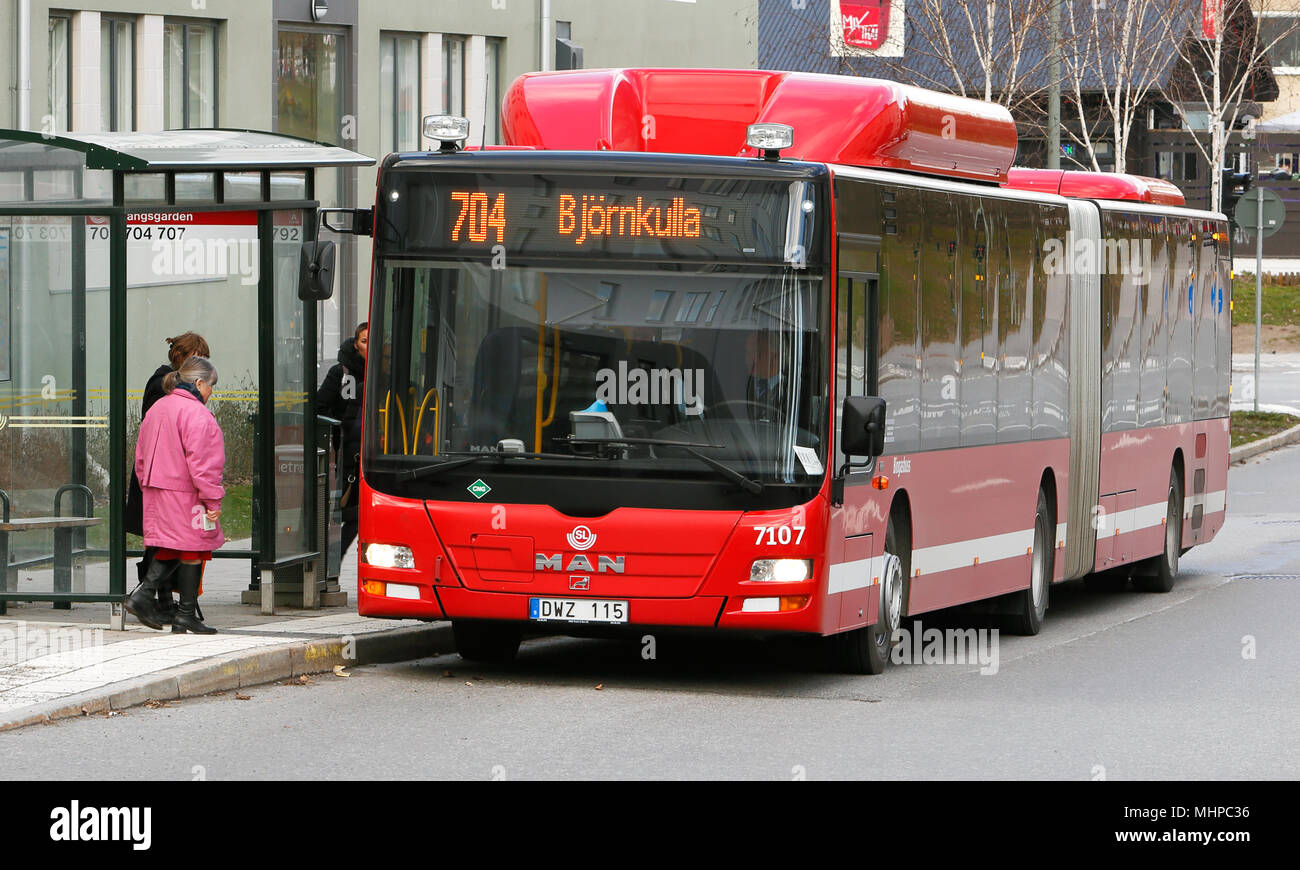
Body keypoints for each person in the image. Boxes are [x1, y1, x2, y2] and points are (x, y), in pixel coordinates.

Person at [126, 356, 225, 634]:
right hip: (185, 491)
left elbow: (141, 453)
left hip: (157, 488)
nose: (210, 393)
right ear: (199, 382)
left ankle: (161, 604)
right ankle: (172, 608)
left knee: (180, 544)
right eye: (210, 386)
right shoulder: (196, 414)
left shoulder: (160, 406)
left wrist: (147, 482)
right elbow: (204, 463)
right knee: (192, 544)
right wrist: (212, 499)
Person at [315, 322, 367, 556]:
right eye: (364, 341)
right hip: (348, 450)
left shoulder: (387, 369)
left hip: (376, 450)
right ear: (356, 344)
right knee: (352, 513)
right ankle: (331, 560)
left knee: (362, 514)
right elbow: (320, 405)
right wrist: (337, 430)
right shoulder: (341, 371)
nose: (368, 346)